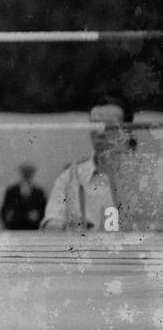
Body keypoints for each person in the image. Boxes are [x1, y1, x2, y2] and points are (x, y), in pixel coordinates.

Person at [42, 99, 135, 232]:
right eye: (95, 126)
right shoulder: (70, 176)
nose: (100, 133)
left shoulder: (148, 177)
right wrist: (60, 227)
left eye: (109, 126)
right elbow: (52, 221)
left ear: (127, 132)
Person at [0, 163, 46, 230]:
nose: (27, 175)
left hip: (33, 228)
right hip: (15, 227)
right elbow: (4, 210)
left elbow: (44, 210)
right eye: (25, 172)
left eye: (29, 172)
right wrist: (9, 222)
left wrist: (38, 218)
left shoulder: (39, 192)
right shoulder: (12, 191)